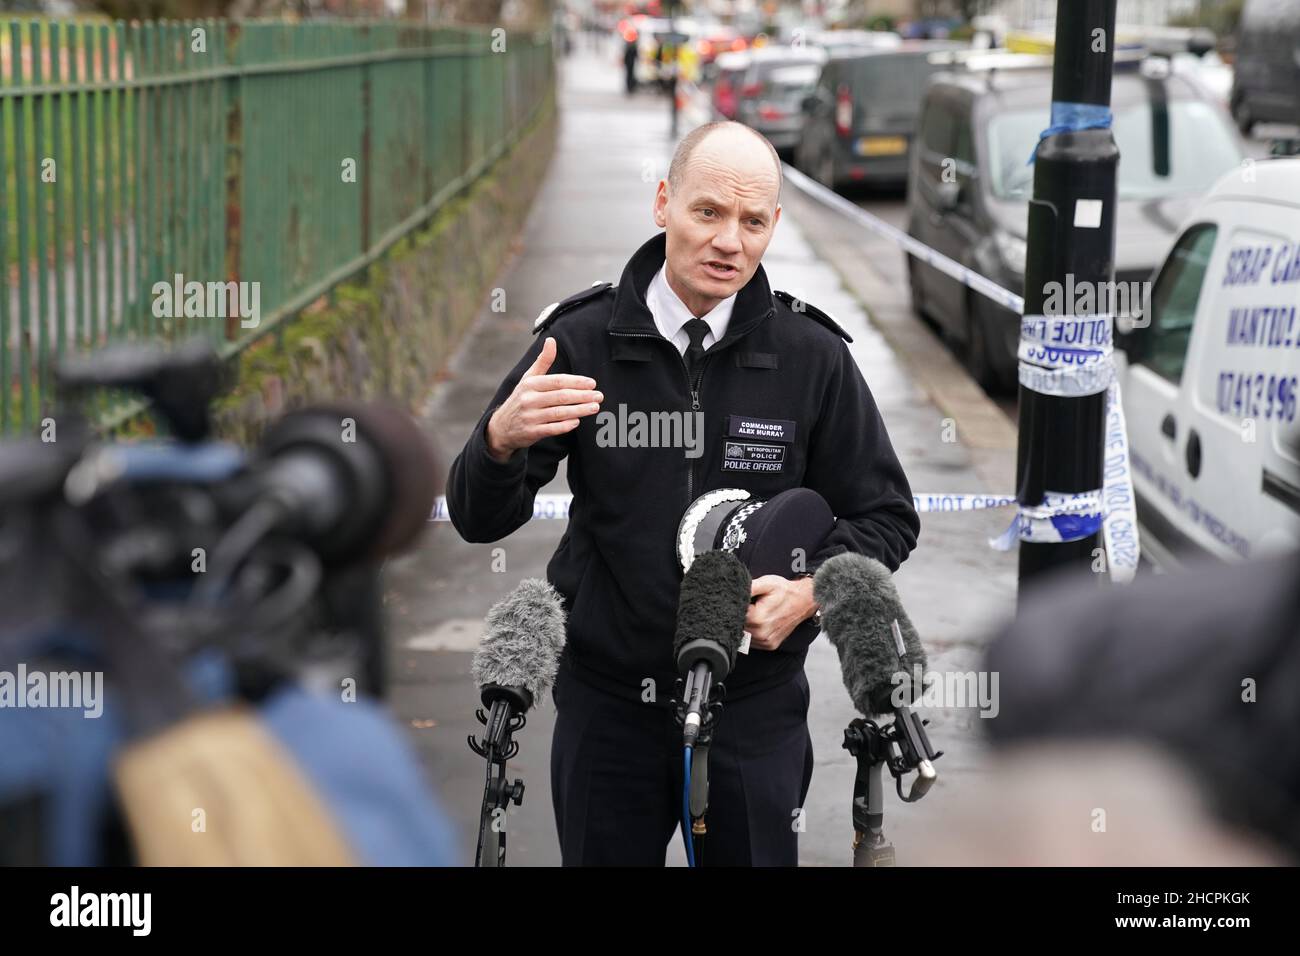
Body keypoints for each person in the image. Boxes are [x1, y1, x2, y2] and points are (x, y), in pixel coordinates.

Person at [446, 121, 919, 866]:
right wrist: (498, 442)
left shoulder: (811, 356)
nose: (729, 241)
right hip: (607, 713)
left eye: (752, 221)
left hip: (753, 718)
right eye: (709, 212)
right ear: (664, 203)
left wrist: (811, 592)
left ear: (773, 227)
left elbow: (887, 517)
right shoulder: (582, 341)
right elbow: (478, 518)